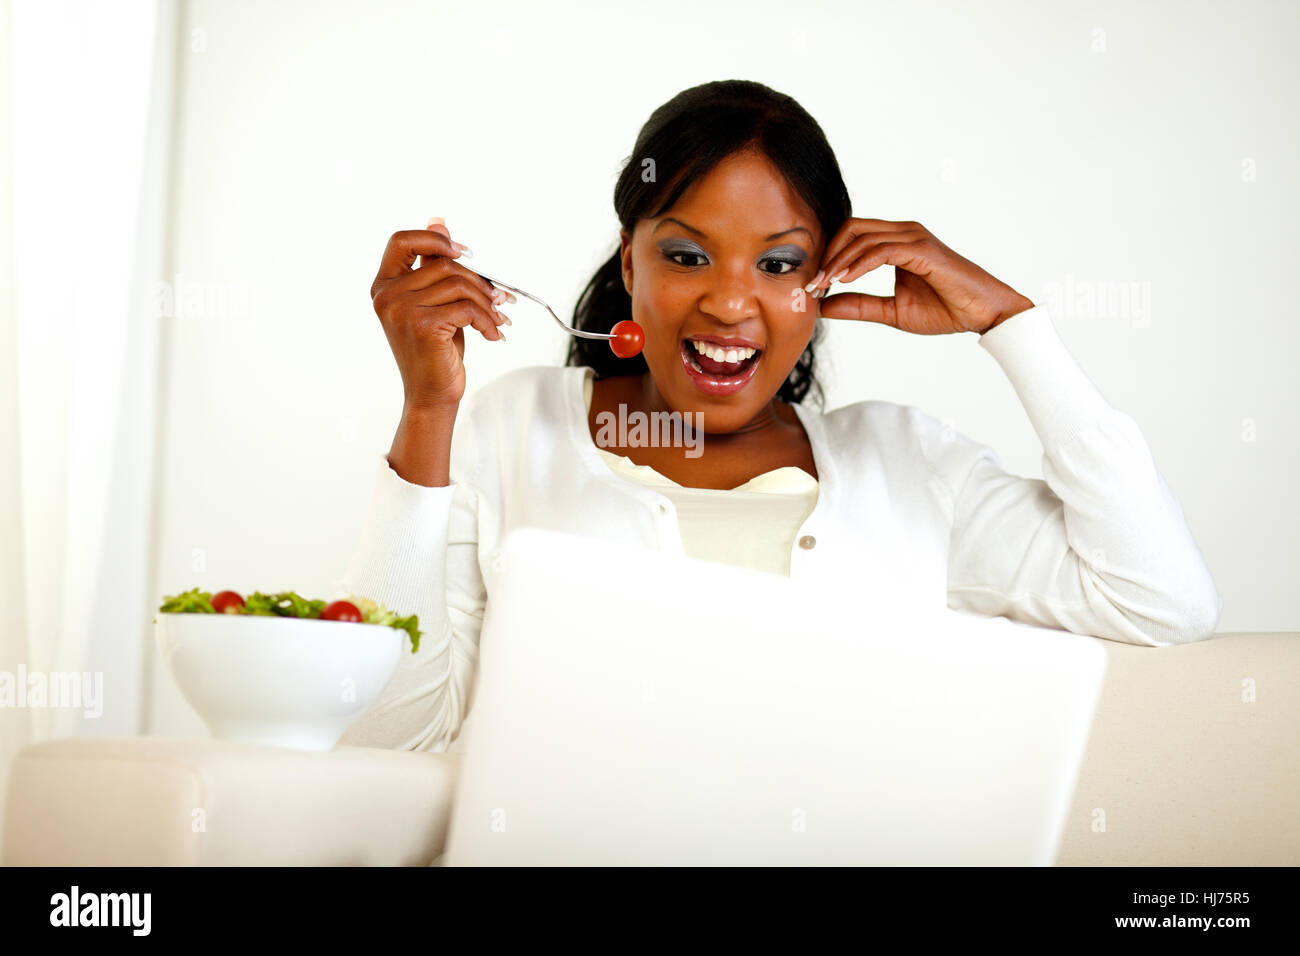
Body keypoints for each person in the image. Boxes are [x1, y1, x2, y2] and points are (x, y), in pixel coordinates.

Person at [333, 80, 1220, 753]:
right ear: (630, 263)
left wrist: (1011, 325)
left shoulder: (905, 464)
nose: (730, 304)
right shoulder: (511, 427)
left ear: (824, 279)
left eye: (779, 263)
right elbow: (387, 737)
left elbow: (1160, 600)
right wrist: (429, 410)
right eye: (687, 255)